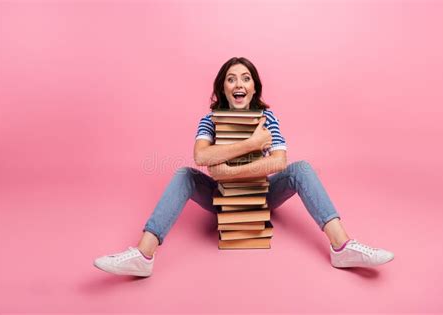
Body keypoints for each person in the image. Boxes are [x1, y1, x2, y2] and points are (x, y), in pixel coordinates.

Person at [93, 57, 394, 277]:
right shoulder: (209, 120)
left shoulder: (268, 119)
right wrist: (251, 145)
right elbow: (201, 157)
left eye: (246, 77)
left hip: (262, 193)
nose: (239, 83)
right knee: (184, 173)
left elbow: (278, 162)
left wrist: (227, 169)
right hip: (220, 196)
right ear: (223, 88)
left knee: (301, 169)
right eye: (232, 78)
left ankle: (342, 247)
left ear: (253, 88)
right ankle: (144, 254)